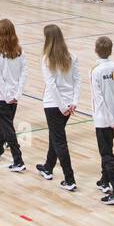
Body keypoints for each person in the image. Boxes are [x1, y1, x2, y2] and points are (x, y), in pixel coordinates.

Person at [38, 24, 80, 190]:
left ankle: (69, 179)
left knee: (59, 140)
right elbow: (77, 80)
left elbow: (51, 86)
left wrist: (63, 106)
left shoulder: (47, 59)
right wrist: (73, 102)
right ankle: (48, 167)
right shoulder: (71, 56)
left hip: (54, 105)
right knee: (55, 136)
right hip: (67, 104)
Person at [91, 36, 114, 206]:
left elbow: (98, 99)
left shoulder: (96, 70)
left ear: (96, 50)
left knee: (106, 154)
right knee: (108, 149)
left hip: (103, 120)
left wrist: (109, 120)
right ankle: (104, 181)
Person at [0, 19, 27, 171]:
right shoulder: (19, 50)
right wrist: (16, 93)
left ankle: (18, 160)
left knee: (8, 127)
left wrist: (10, 95)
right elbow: (24, 73)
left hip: (1, 96)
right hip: (12, 96)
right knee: (6, 124)